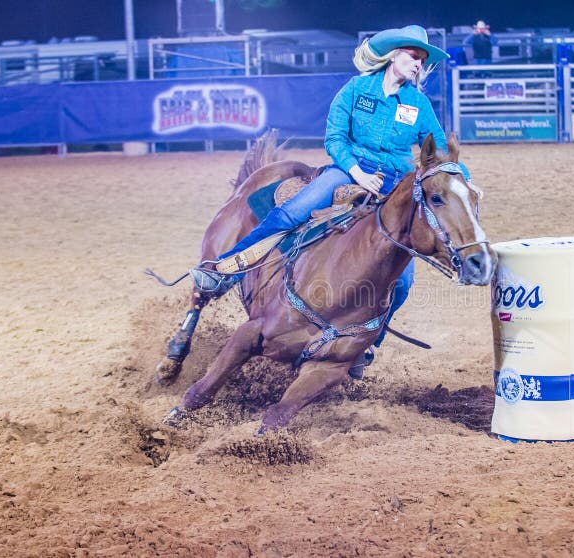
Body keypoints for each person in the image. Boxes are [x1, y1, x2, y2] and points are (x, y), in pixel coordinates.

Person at [191, 25, 458, 374]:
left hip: (393, 184)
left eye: (422, 60)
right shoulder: (356, 89)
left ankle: (362, 345)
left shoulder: (418, 104)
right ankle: (225, 268)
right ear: (394, 55)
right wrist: (357, 172)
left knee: (404, 282)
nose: (418, 64)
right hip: (347, 171)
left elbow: (439, 149)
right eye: (413, 55)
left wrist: (460, 177)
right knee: (292, 213)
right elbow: (334, 138)